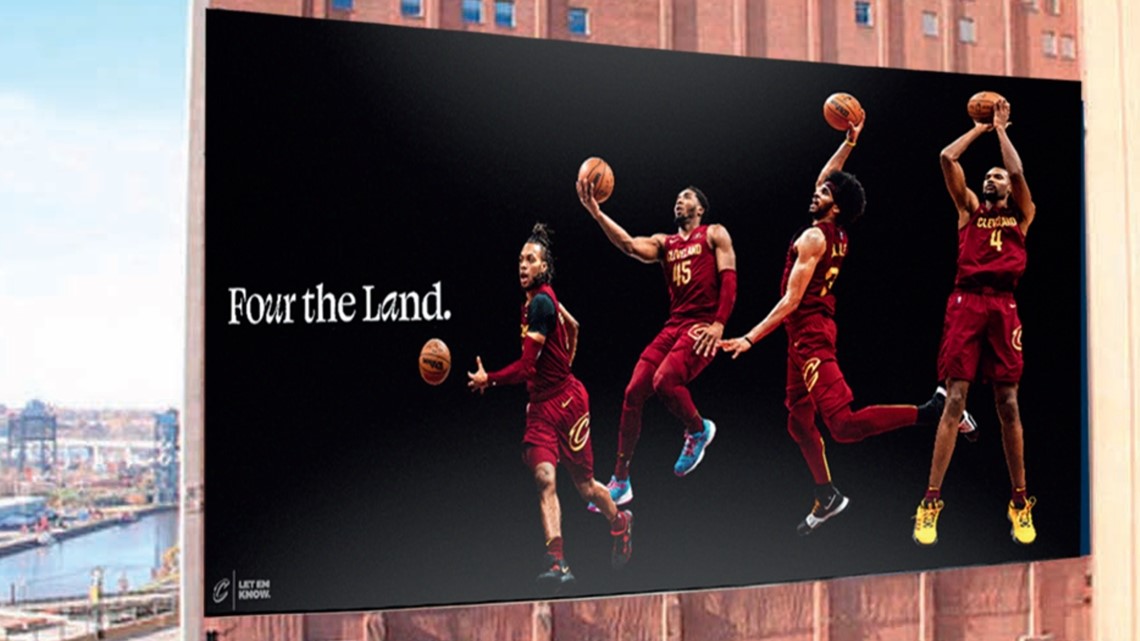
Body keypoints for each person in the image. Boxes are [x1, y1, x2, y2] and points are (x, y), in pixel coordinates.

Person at [720, 115, 973, 536]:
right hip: (802, 336)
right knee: (798, 422)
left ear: (833, 205)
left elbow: (791, 300)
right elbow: (828, 176)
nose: (815, 191)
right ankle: (828, 496)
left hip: (811, 335)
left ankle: (933, 410)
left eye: (822, 193)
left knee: (842, 426)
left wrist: (749, 337)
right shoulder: (835, 231)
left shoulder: (814, 239)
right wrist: (850, 142)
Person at [468, 223, 633, 590]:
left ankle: (620, 523)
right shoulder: (537, 301)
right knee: (544, 478)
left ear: (543, 268)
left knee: (587, 487)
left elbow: (527, 366)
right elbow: (573, 325)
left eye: (531, 260)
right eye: (520, 259)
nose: (522, 265)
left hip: (569, 402)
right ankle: (557, 561)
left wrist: (488, 379)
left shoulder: (541, 303)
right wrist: (565, 358)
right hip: (541, 407)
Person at [913, 98, 1037, 546]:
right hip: (966, 303)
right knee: (954, 400)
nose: (991, 177)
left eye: (996, 175)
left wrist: (1002, 131)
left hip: (1004, 307)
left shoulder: (1022, 213)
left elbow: (1019, 174)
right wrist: (979, 129)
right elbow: (947, 158)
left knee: (1008, 405)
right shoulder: (968, 210)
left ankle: (1020, 501)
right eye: (987, 175)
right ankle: (930, 502)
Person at [576, 177, 737, 509]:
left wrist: (719, 324)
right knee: (633, 391)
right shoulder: (665, 243)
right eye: (677, 197)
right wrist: (596, 212)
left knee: (665, 380)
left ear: (700, 208)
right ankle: (621, 480)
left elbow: (729, 280)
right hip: (673, 326)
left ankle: (698, 429)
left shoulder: (714, 233)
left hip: (701, 326)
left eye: (687, 197)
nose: (679, 201)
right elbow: (629, 246)